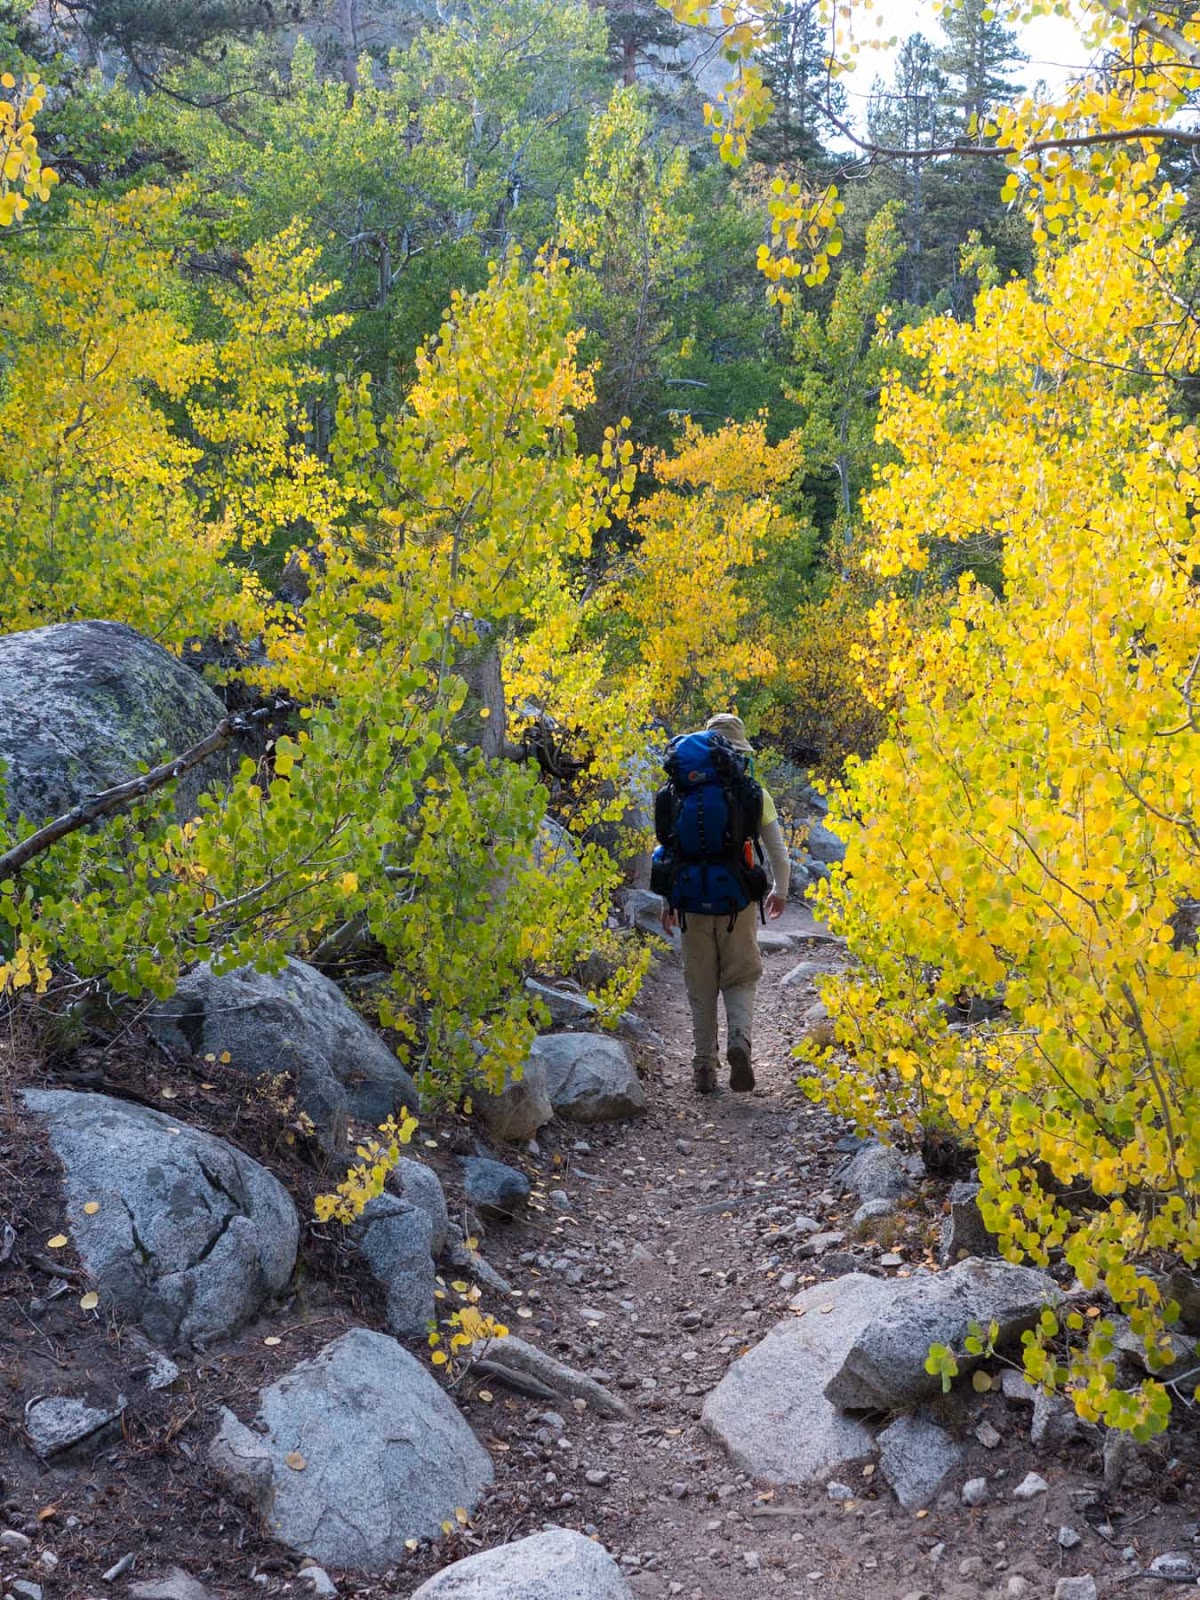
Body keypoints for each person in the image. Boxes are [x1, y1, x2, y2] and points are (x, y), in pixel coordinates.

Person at [660, 714, 790, 1094]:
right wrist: (780, 892)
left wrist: (668, 901)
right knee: (740, 976)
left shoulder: (678, 788)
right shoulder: (752, 791)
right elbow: (779, 856)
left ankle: (703, 1066)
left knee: (700, 984)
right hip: (737, 901)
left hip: (690, 903)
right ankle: (739, 1041)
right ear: (740, 750)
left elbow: (668, 852)